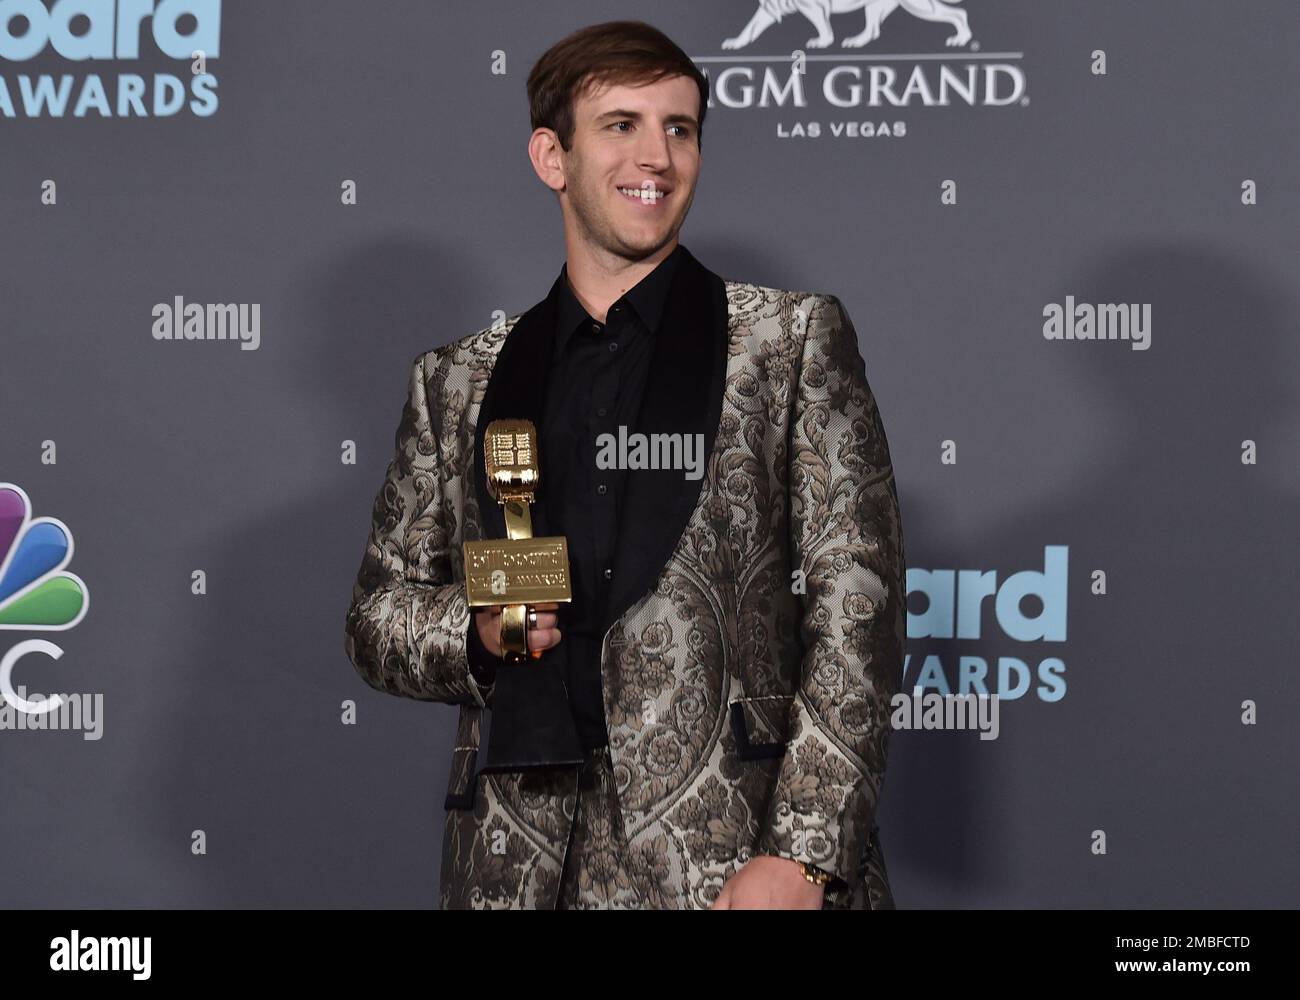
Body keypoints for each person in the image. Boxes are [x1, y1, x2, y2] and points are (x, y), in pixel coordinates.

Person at [343, 19, 906, 910]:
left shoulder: (786, 341)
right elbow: (379, 618)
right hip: (516, 865)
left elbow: (857, 609)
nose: (659, 155)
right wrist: (480, 630)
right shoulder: (457, 379)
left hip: (731, 865)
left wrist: (803, 856)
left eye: (680, 128)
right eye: (622, 124)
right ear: (550, 156)